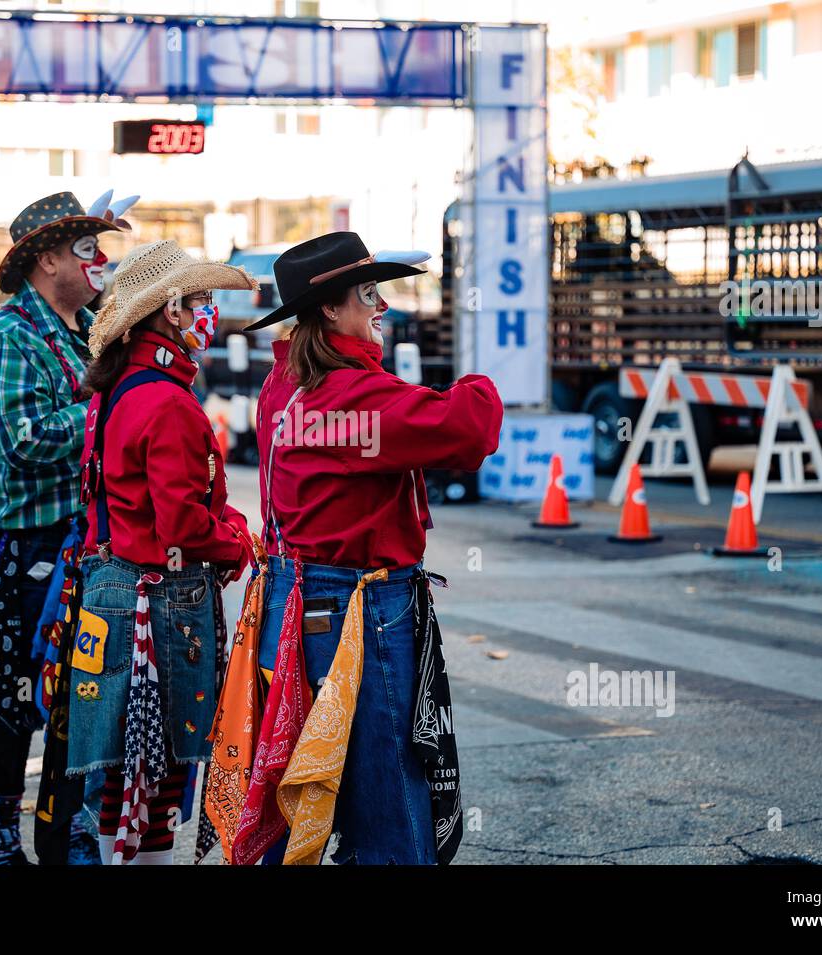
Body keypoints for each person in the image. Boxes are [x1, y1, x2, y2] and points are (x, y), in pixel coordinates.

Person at [233, 231, 503, 866]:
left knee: (311, 787)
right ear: (331, 309)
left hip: (294, 598)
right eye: (368, 293)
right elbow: (467, 428)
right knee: (390, 801)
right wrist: (478, 379)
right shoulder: (350, 393)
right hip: (356, 605)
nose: (380, 306)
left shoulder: (285, 384)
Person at [0, 190, 132, 865]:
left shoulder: (84, 330)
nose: (100, 260)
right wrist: (115, 415)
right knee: (8, 698)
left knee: (78, 693)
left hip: (79, 543)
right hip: (24, 546)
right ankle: (1, 842)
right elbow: (23, 440)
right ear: (48, 258)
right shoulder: (6, 338)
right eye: (87, 248)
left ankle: (70, 830)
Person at [68, 239, 258, 865]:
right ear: (171, 312)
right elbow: (181, 523)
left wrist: (220, 521)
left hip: (111, 591)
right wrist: (238, 540)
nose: (210, 312)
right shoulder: (169, 401)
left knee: (120, 773)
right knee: (159, 771)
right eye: (202, 300)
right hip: (158, 603)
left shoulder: (116, 392)